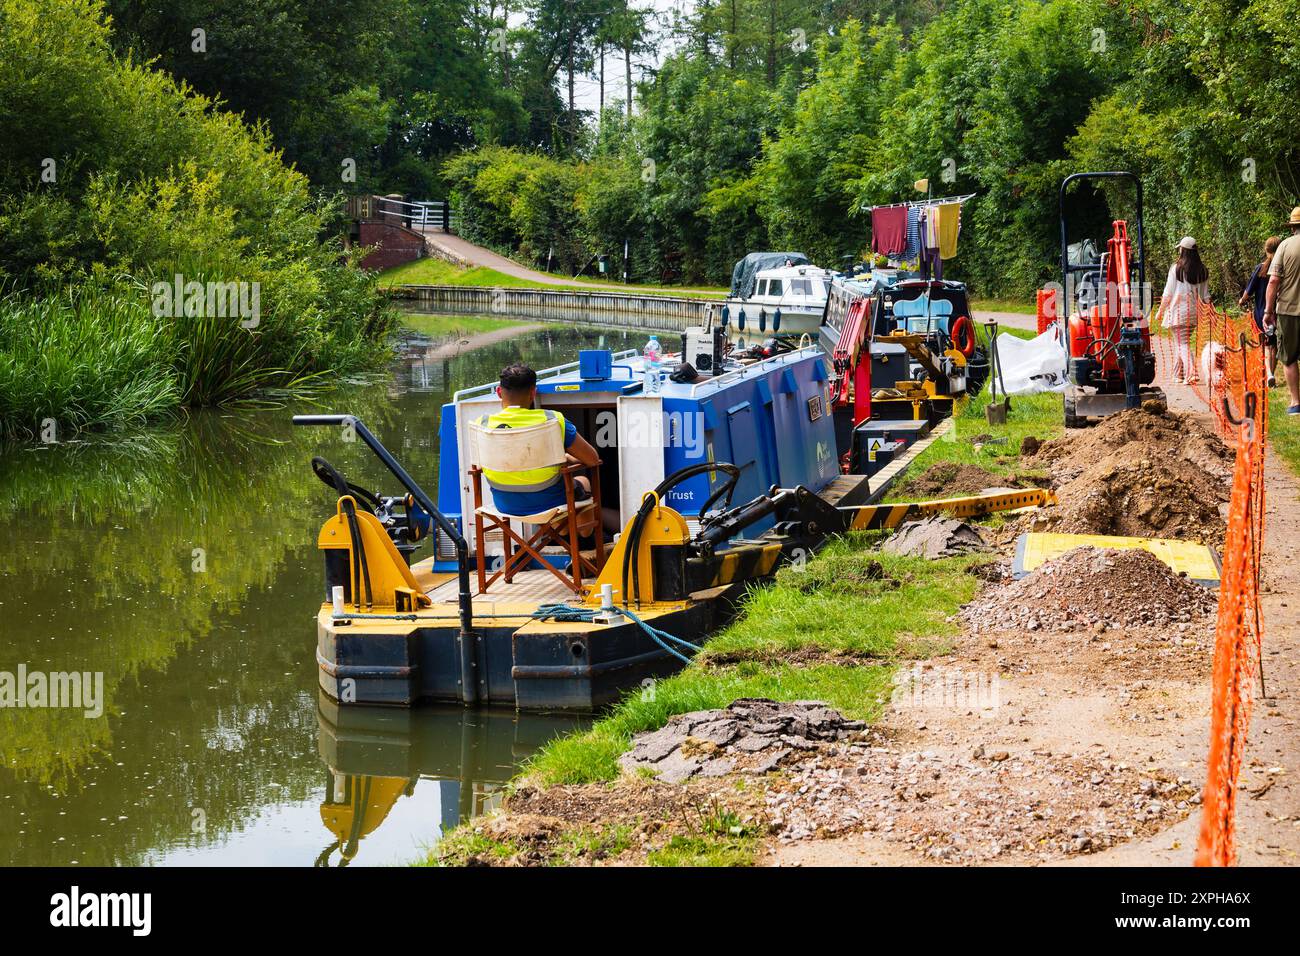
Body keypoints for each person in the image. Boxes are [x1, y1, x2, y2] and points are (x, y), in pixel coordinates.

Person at [476, 363, 603, 535]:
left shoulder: (483, 424)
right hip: (549, 504)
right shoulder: (553, 419)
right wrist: (564, 456)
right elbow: (592, 459)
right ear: (533, 393)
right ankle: (585, 539)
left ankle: (558, 535)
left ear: (499, 392)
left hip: (505, 504)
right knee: (583, 481)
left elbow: (478, 466)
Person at [1153, 236, 1210, 384]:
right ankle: (1178, 374)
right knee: (1182, 341)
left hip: (1177, 312)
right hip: (1193, 313)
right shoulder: (1202, 270)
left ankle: (1191, 373)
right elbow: (1205, 297)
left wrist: (1160, 311)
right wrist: (1209, 313)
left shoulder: (1176, 268)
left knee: (1181, 343)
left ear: (1183, 250)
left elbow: (1168, 293)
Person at [1264, 207, 1300, 414]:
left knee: (1289, 357)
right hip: (1289, 309)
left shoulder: (1285, 246)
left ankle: (1296, 403)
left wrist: (1268, 311)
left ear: (1293, 226)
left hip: (1289, 310)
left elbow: (1274, 280)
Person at [1239, 235, 1281, 386]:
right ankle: (1272, 374)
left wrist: (1242, 301)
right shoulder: (1282, 268)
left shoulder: (1260, 268)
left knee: (1264, 344)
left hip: (1261, 313)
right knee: (1274, 345)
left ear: (1266, 250)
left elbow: (1248, 291)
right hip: (1277, 312)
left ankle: (1269, 374)